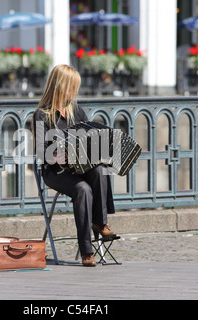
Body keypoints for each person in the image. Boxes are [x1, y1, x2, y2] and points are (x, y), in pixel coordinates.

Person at [33, 64, 116, 267]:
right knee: (83, 189)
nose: (75, 92)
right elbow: (41, 152)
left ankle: (100, 222)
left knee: (100, 168)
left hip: (79, 167)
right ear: (60, 86)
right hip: (55, 171)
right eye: (72, 87)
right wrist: (55, 155)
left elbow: (88, 139)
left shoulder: (77, 112)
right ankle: (87, 250)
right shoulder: (42, 115)